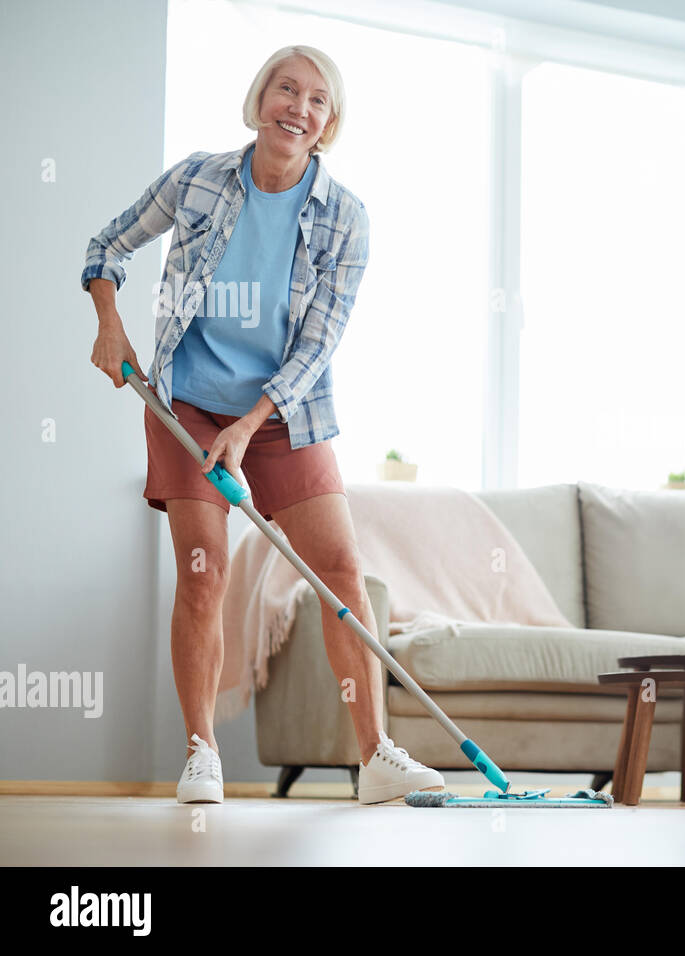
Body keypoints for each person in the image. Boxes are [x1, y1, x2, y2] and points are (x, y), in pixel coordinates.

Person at [84, 45, 443, 805]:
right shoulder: (199, 179)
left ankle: (375, 757)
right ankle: (200, 752)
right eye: (287, 89)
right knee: (203, 572)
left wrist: (250, 427)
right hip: (184, 401)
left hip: (283, 411)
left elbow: (319, 342)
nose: (298, 108)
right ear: (261, 98)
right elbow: (106, 246)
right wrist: (109, 323)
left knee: (341, 574)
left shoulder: (346, 217)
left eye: (317, 101)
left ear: (328, 124)